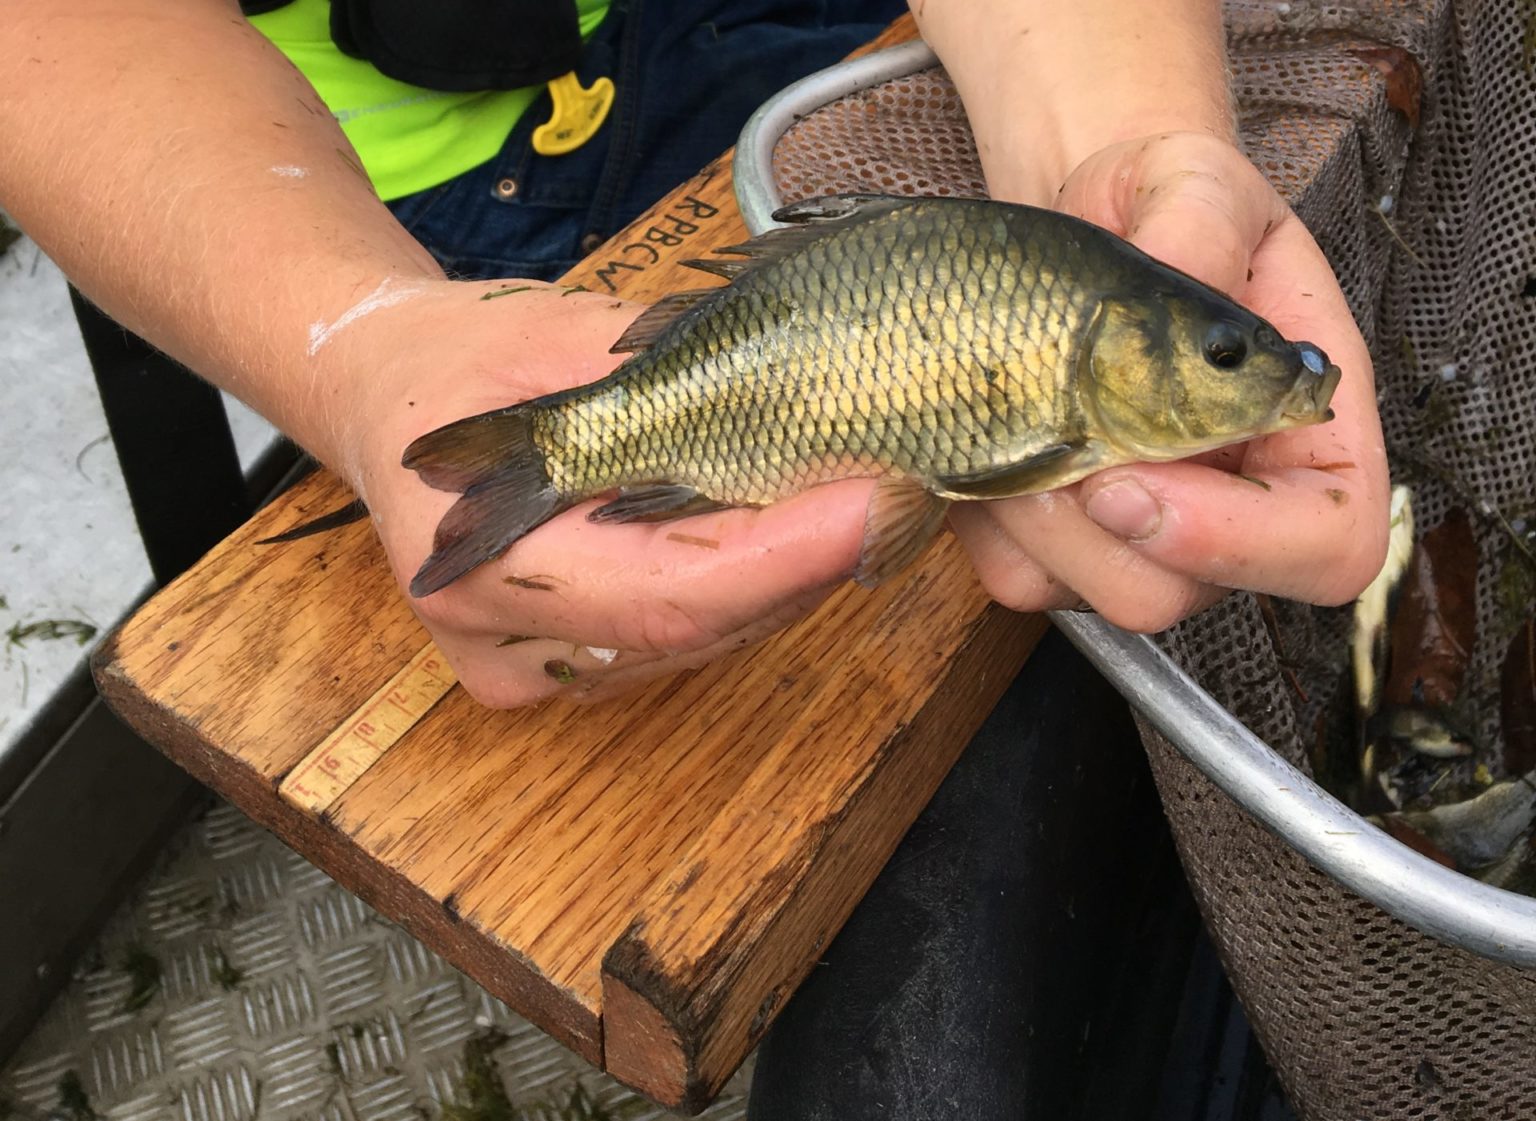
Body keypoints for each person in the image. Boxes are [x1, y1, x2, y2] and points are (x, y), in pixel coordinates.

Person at [0, 1, 1388, 1116]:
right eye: (1212, 356)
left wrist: (1130, 143)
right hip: (346, 175)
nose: (1234, 368)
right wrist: (356, 346)